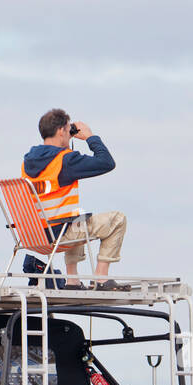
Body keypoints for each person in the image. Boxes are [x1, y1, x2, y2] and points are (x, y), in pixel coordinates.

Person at [21, 109, 130, 291]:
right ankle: (101, 279)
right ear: (62, 131)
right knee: (118, 219)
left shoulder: (28, 161)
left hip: (32, 235)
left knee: (77, 216)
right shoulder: (65, 161)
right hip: (58, 234)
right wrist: (90, 137)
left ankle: (72, 281)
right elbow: (107, 162)